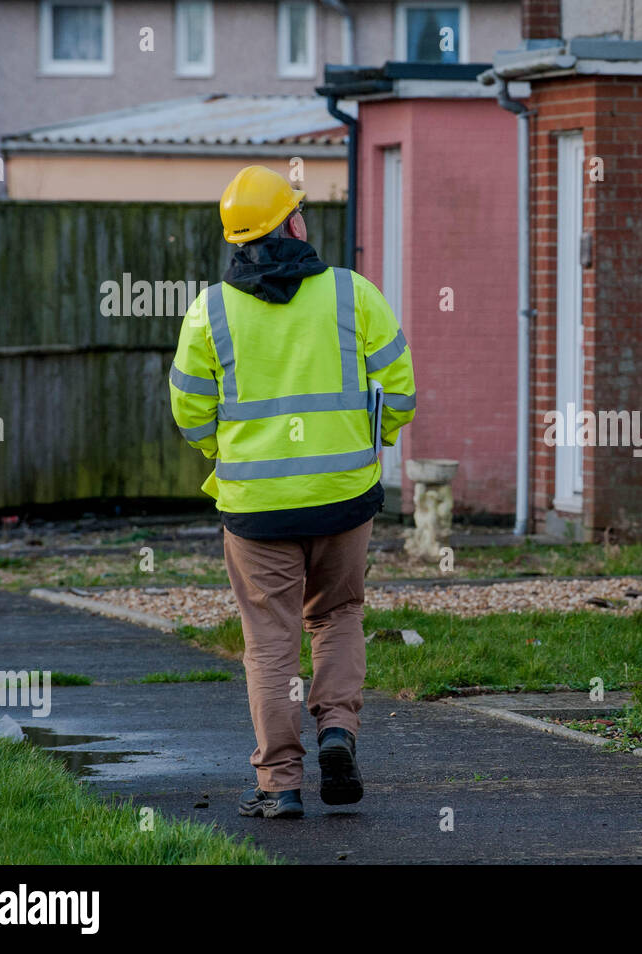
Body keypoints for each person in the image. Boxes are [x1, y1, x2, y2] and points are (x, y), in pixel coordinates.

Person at [169, 165, 415, 818]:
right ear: (294, 223)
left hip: (255, 512)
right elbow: (402, 389)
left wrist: (226, 454)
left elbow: (190, 412)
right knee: (337, 616)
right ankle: (338, 730)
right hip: (344, 498)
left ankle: (280, 785)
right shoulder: (351, 294)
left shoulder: (209, 310)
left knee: (271, 640)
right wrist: (372, 441)